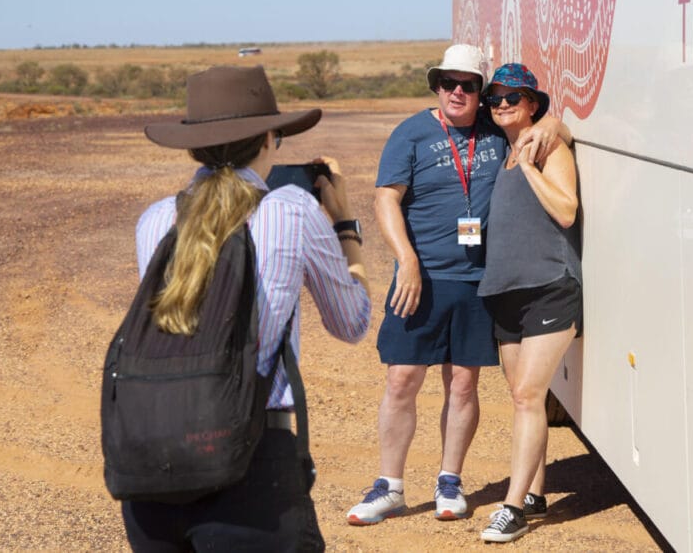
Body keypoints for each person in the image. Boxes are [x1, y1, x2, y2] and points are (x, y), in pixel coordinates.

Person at [127, 65, 372, 552]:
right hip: (252, 464)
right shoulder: (290, 209)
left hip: (151, 469)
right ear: (268, 140)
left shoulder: (154, 220)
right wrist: (345, 227)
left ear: (193, 147)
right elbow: (352, 322)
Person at [347, 45, 567, 526]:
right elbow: (386, 198)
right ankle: (389, 486)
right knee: (402, 379)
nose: (458, 92)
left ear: (481, 93)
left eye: (469, 85)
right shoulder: (411, 133)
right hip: (420, 277)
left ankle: (451, 480)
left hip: (476, 281)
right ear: (437, 86)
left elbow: (540, 126)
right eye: (449, 83)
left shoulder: (494, 127)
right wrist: (405, 259)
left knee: (464, 385)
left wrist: (555, 123)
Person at [476, 64, 582, 543]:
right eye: (495, 97)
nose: (501, 104)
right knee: (521, 398)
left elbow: (566, 209)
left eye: (512, 96)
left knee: (527, 397)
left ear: (532, 102)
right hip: (507, 292)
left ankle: (513, 508)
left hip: (549, 286)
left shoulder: (547, 146)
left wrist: (533, 161)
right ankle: (535, 491)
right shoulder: (503, 151)